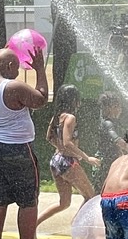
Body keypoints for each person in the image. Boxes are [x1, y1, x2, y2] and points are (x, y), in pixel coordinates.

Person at [0, 46, 49, 239]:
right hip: (18, 149)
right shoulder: (13, 86)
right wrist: (40, 70)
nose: (18, 71)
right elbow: (41, 100)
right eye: (17, 66)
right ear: (8, 66)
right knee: (28, 201)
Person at [36, 85, 100, 226]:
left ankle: (34, 223)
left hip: (56, 161)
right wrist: (86, 157)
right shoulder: (70, 118)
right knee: (90, 196)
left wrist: (60, 149)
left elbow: (49, 137)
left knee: (64, 202)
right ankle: (76, 226)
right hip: (68, 162)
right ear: (74, 100)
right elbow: (67, 142)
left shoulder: (57, 117)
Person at [96, 91, 128, 188]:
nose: (120, 110)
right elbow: (117, 140)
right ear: (110, 108)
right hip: (106, 164)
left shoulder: (111, 122)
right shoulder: (108, 123)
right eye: (117, 107)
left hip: (109, 162)